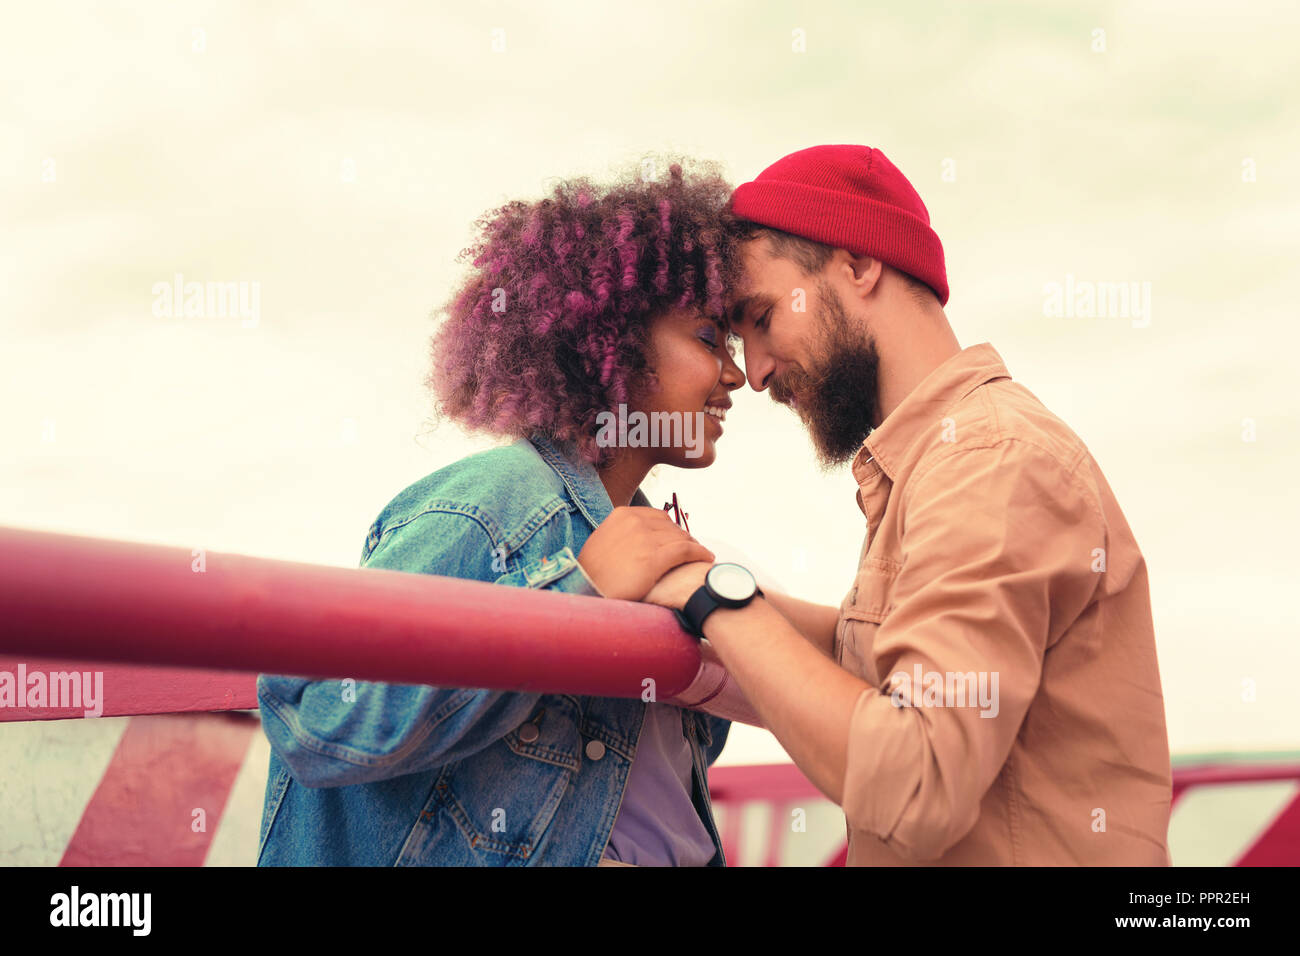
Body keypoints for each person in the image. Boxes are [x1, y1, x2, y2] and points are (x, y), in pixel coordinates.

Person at [640, 144, 1173, 865]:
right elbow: (871, 666)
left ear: (858, 262)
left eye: (761, 317)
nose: (756, 372)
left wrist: (707, 595)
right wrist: (684, 579)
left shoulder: (986, 460)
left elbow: (915, 782)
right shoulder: (945, 460)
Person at [256, 159, 753, 866]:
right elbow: (317, 712)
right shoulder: (496, 509)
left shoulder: (654, 544)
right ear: (611, 340)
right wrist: (575, 603)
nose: (735, 374)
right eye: (709, 338)